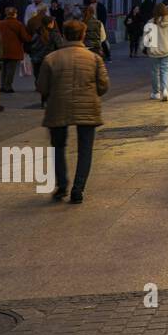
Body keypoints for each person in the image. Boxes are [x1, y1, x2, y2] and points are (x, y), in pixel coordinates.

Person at [36, 19, 109, 204]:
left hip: (58, 107)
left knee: (58, 147)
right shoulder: (94, 58)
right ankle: (78, 189)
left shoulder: (51, 58)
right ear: (83, 35)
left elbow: (42, 87)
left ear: (64, 35)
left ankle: (62, 186)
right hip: (87, 107)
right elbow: (103, 86)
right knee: (85, 149)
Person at [144, 3, 168, 102]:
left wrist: (146, 48)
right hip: (167, 50)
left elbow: (147, 39)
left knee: (155, 71)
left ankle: (156, 92)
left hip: (154, 51)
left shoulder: (150, 22)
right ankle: (165, 89)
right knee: (166, 70)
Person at [0, 6, 30, 94]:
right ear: (15, 14)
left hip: (2, 49)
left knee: (4, 69)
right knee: (11, 69)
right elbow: (25, 38)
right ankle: (8, 86)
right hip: (14, 50)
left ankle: (2, 86)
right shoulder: (18, 24)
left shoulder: (0, 23)